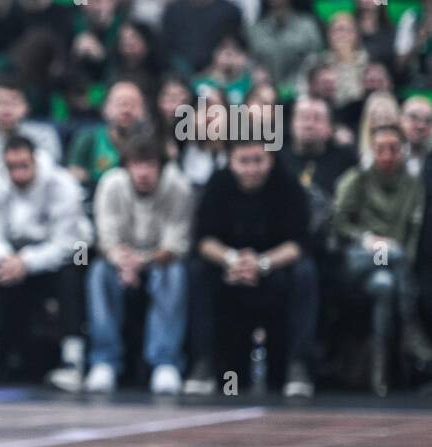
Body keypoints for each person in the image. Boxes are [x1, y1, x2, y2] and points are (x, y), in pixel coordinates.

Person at [186, 137, 319, 398]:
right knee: (196, 272)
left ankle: (298, 365)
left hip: (275, 269)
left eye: (258, 160)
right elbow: (202, 240)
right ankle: (202, 364)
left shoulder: (288, 185)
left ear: (270, 159)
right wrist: (233, 259)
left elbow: (300, 243)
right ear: (231, 162)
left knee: (306, 272)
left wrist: (262, 263)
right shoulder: (219, 184)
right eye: (243, 161)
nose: (251, 168)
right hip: (229, 270)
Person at [0, 135, 89, 388]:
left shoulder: (62, 184)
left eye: (23, 166)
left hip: (53, 258)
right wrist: (7, 259)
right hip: (8, 256)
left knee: (72, 274)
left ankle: (73, 363)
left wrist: (26, 262)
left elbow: (66, 243)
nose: (17, 172)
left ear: (35, 161)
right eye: (12, 167)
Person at [67, 134, 192, 394]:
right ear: (127, 165)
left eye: (150, 164)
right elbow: (105, 239)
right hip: (119, 263)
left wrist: (141, 261)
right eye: (137, 164)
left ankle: (164, 362)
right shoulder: (111, 184)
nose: (144, 172)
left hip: (159, 262)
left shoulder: (178, 186)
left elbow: (176, 246)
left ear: (161, 166)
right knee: (99, 272)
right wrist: (122, 262)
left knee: (174, 273)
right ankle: (104, 362)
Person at [332, 125, 431, 394]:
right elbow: (338, 223)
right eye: (380, 149)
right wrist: (367, 238)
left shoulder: (412, 187)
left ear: (403, 151)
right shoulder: (356, 179)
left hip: (391, 270)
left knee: (385, 284)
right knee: (394, 253)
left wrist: (402, 255)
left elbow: (413, 233)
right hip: (357, 258)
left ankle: (380, 376)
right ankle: (412, 331)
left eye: (394, 149)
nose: (387, 155)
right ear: (370, 150)